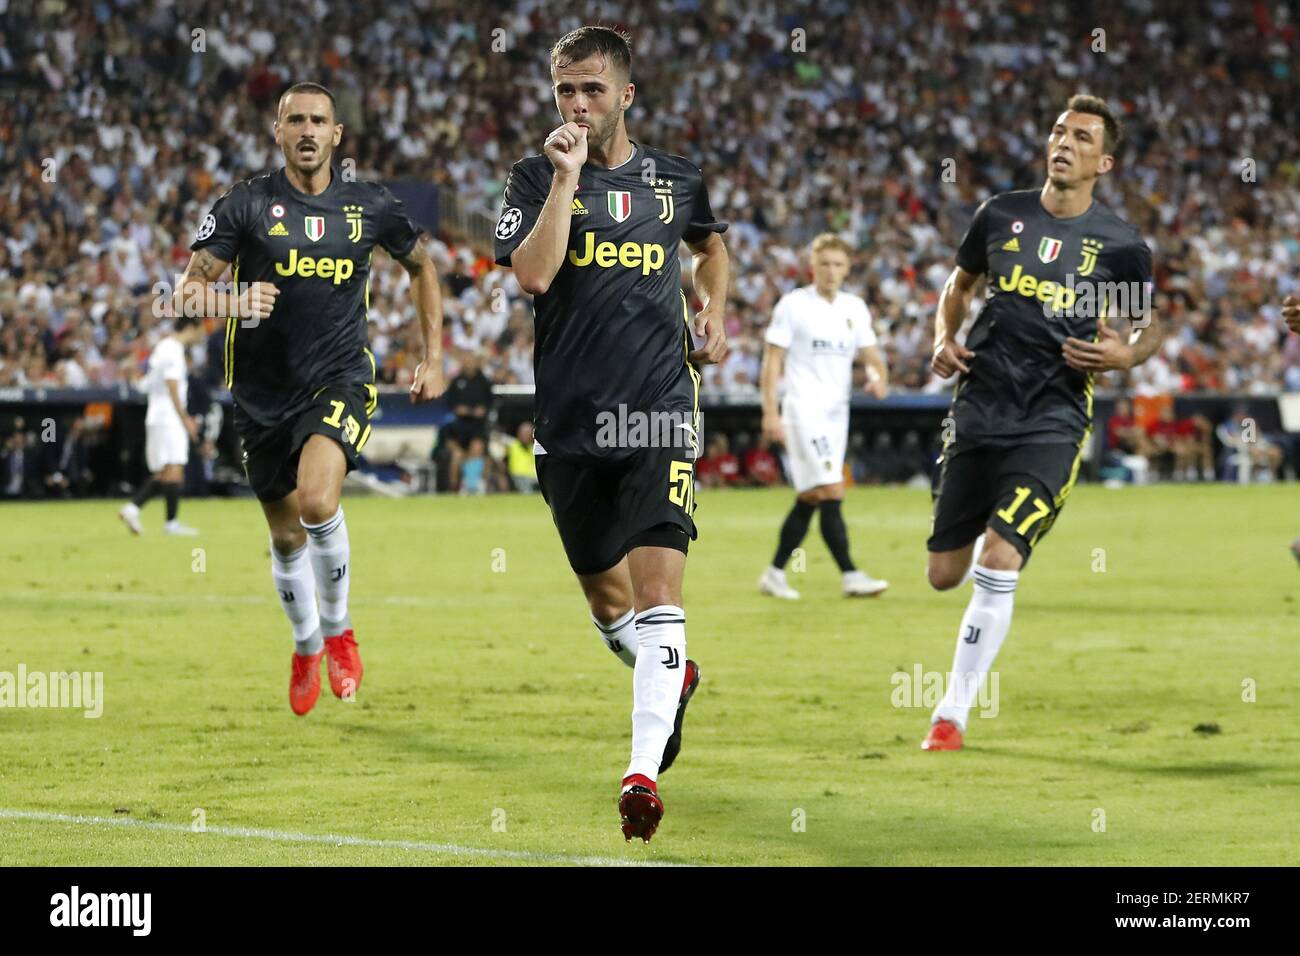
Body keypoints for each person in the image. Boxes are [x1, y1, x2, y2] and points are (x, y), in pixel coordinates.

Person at [494, 26, 728, 842]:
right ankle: (675, 677)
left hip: (661, 409)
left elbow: (711, 246)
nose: (578, 105)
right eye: (565, 90)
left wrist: (713, 304)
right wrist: (563, 180)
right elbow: (532, 274)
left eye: (592, 90)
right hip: (570, 424)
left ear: (626, 94)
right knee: (609, 607)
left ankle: (639, 775)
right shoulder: (533, 176)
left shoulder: (677, 179)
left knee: (662, 592)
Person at [178, 82, 445, 715]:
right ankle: (305, 646)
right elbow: (186, 292)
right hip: (261, 395)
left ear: (336, 135)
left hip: (340, 379)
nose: (306, 129)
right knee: (286, 534)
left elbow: (422, 267)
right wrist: (233, 303)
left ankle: (340, 630)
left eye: (317, 120)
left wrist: (433, 356)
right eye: (294, 119)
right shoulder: (245, 204)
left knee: (319, 499)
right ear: (278, 132)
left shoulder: (371, 206)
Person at [923, 95, 1164, 751]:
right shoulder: (1000, 213)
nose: (1064, 142)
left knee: (1000, 559)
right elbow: (960, 283)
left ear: (1103, 161)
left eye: (1081, 137)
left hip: (1054, 416)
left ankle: (951, 713)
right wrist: (944, 336)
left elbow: (1145, 325)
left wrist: (1126, 352)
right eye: (1059, 131)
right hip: (980, 404)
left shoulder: (1120, 245)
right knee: (944, 574)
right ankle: (989, 541)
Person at [757, 234, 891, 600]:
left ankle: (774, 573)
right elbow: (772, 361)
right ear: (811, 267)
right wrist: (771, 411)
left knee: (812, 496)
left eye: (838, 264)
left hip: (837, 415)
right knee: (832, 489)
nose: (831, 271)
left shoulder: (855, 308)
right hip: (803, 411)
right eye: (824, 264)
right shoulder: (793, 305)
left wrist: (879, 379)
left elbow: (872, 357)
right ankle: (851, 575)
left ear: (848, 269)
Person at [118, 315, 206, 535]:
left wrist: (134, 378)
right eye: (200, 329)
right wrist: (185, 418)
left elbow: (147, 384)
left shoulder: (162, 347)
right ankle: (168, 522)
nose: (202, 334)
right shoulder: (174, 350)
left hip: (158, 415)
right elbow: (172, 385)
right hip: (169, 417)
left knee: (168, 471)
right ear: (190, 327)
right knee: (174, 469)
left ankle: (135, 509)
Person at [506, 421, 539, 493]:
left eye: (528, 434)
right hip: (518, 477)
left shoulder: (534, 447)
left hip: (534, 477)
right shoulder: (512, 445)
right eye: (524, 433)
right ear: (519, 434)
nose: (526, 436)